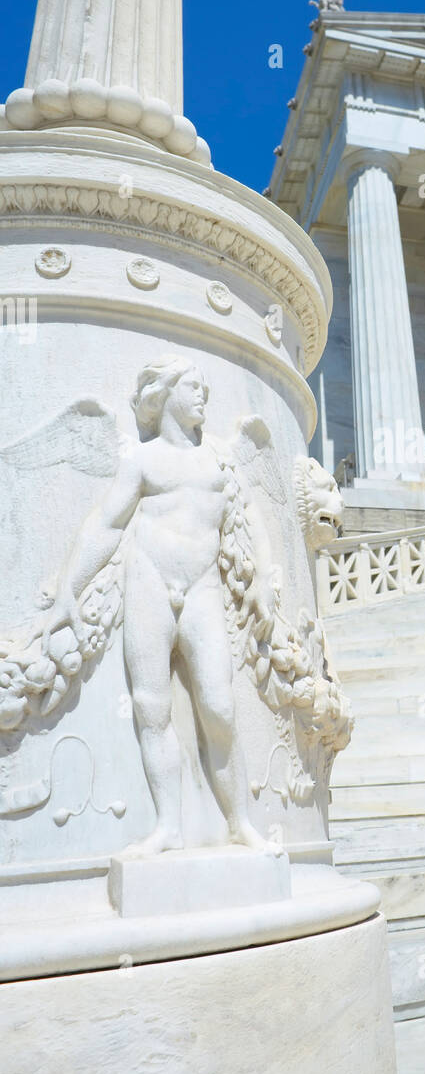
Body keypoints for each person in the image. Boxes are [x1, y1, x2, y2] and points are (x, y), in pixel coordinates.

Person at [45, 356, 278, 856]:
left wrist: (262, 576)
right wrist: (70, 585)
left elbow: (250, 518)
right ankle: (168, 827)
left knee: (219, 706)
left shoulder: (218, 458)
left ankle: (240, 822)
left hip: (202, 591)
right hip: (149, 584)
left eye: (205, 390)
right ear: (164, 393)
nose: (203, 396)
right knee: (152, 709)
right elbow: (106, 525)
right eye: (193, 387)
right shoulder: (143, 459)